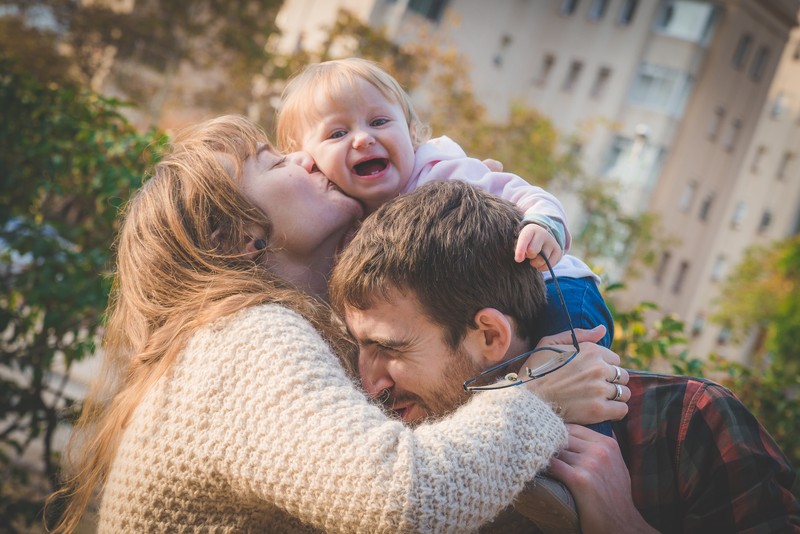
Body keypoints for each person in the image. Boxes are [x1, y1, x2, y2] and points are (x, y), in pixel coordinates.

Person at [46, 115, 627, 533]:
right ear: (241, 240)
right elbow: (404, 498)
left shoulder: (273, 331)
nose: (305, 156)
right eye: (274, 163)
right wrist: (538, 397)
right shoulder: (242, 339)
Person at [329, 180, 800, 533]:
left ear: (489, 335)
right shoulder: (380, 457)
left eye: (389, 349)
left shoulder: (688, 423)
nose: (369, 385)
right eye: (359, 348)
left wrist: (623, 525)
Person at [276, 57, 614, 355]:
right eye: (337, 134)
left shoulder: (440, 174)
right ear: (306, 158)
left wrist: (543, 225)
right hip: (495, 316)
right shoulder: (348, 226)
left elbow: (520, 191)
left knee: (573, 366)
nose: (363, 138)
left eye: (379, 122)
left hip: (555, 288)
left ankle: (596, 428)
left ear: (411, 133)